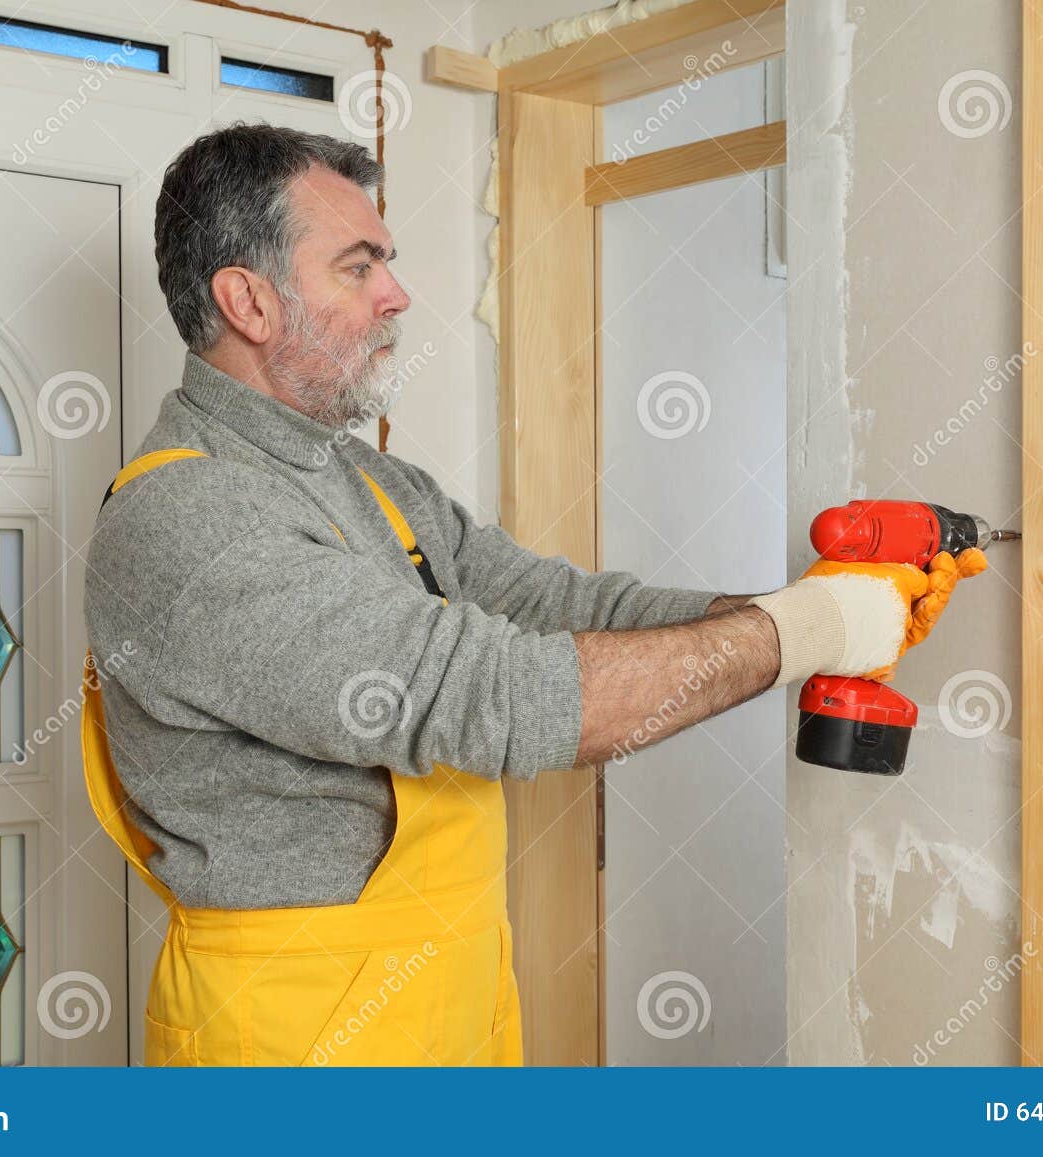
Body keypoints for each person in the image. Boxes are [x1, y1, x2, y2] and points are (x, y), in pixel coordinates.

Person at [81, 122, 975, 1067]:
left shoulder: (378, 482)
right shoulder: (184, 520)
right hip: (291, 1038)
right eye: (359, 267)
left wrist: (809, 606)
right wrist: (807, 630)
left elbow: (561, 607)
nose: (397, 294)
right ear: (248, 300)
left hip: (453, 998)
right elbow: (500, 695)